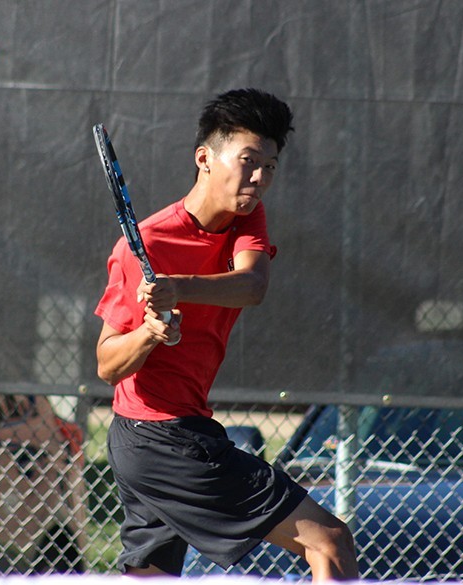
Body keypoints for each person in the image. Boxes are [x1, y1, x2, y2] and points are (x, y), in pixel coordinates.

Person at [94, 88, 359, 581]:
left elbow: (253, 286)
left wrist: (179, 290)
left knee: (148, 578)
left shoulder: (246, 214)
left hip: (165, 435)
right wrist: (150, 333)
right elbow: (107, 364)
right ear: (205, 159)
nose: (259, 178)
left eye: (271, 167)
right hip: (159, 437)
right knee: (329, 542)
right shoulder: (144, 246)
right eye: (248, 161)